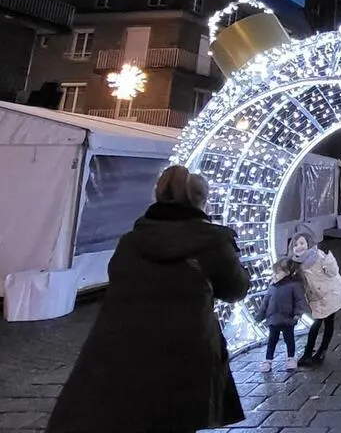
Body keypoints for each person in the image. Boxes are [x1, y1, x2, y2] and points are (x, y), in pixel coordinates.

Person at [46, 165, 251, 433]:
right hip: (186, 353)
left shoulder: (131, 241)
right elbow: (235, 289)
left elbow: (117, 277)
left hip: (122, 348)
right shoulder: (212, 242)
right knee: (177, 418)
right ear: (201, 201)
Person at [291, 223, 341, 366]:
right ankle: (308, 353)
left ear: (308, 243)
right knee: (316, 324)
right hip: (316, 299)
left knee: (325, 322)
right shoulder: (296, 264)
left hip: (331, 295)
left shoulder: (318, 256)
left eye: (302, 243)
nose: (299, 246)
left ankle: (320, 351)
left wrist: (329, 260)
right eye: (295, 244)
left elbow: (333, 272)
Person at [256, 258, 309, 372]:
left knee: (289, 339)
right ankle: (268, 360)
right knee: (272, 340)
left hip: (288, 318)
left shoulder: (294, 285)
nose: (275, 275)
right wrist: (260, 315)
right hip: (273, 319)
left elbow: (300, 301)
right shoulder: (272, 287)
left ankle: (291, 358)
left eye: (278, 272)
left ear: (287, 272)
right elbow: (265, 303)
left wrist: (297, 314)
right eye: (274, 272)